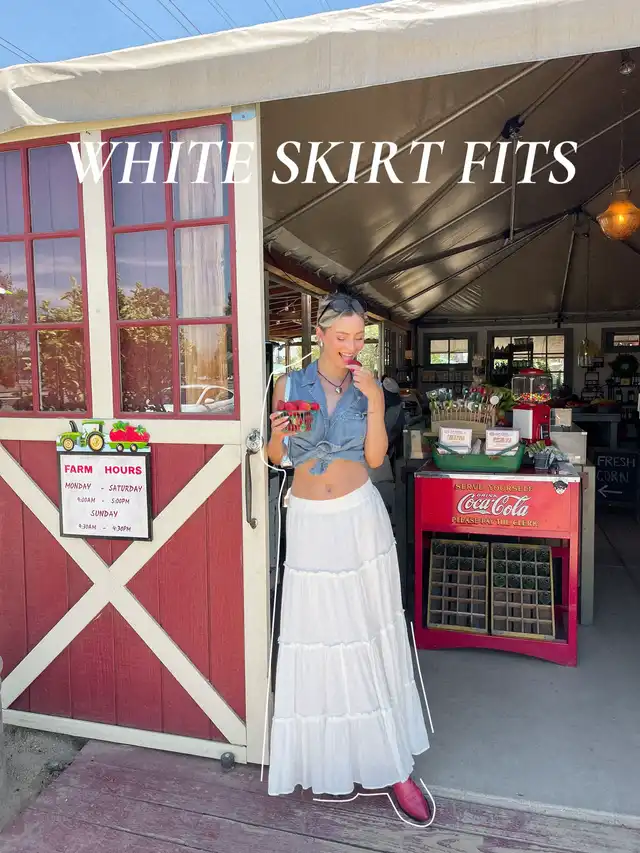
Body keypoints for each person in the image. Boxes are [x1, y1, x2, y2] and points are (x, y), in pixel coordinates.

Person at [266, 293, 431, 822]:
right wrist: (278, 436)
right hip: (310, 521)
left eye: (360, 337)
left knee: (365, 632)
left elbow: (377, 456)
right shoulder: (289, 384)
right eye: (342, 337)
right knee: (318, 635)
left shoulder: (369, 387)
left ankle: (394, 766)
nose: (352, 346)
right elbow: (276, 458)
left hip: (359, 518)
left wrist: (377, 402)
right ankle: (328, 757)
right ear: (320, 335)